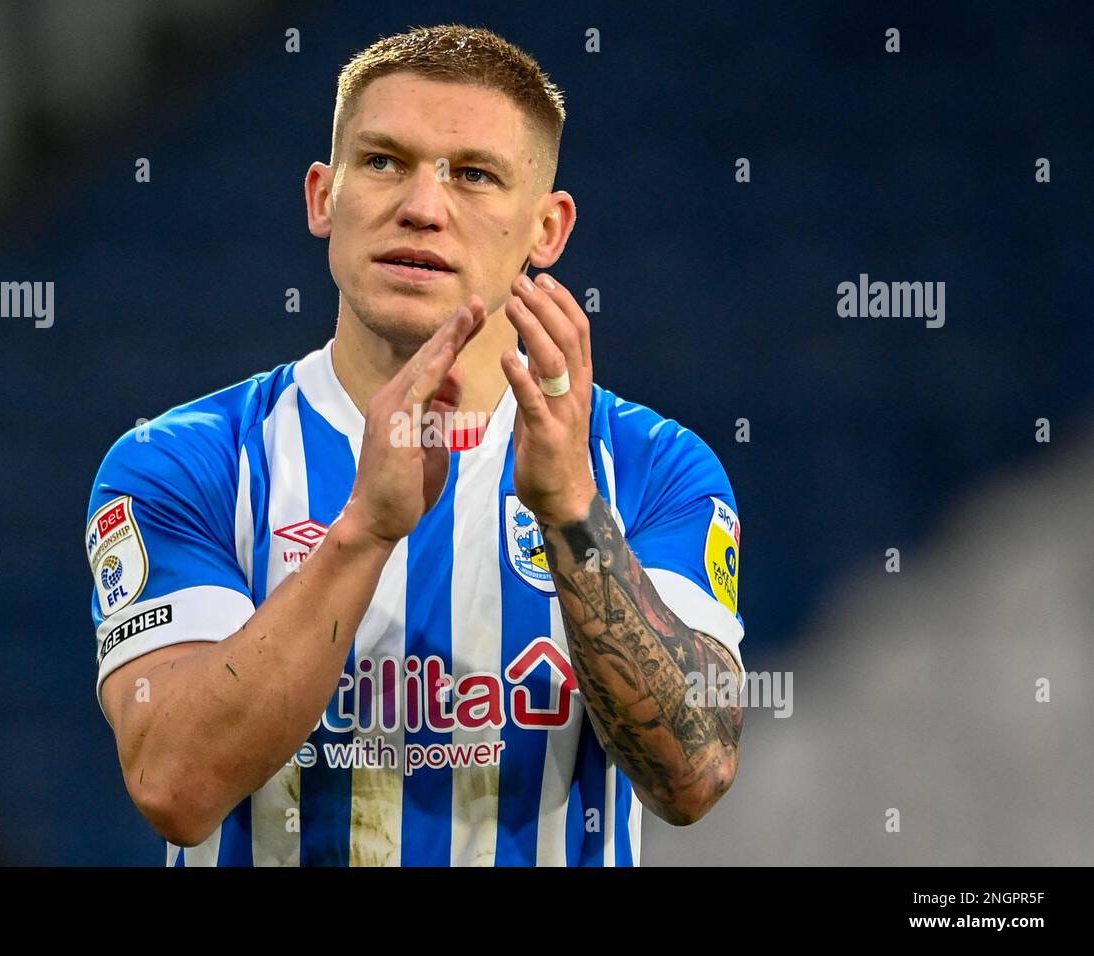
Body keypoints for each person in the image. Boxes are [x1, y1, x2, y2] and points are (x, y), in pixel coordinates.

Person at [85, 24, 745, 867]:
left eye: (473, 175)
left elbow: (694, 776)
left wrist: (575, 515)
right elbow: (175, 787)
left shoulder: (654, 469)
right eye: (384, 161)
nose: (422, 206)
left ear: (547, 230)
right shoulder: (184, 464)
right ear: (324, 197)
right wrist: (364, 530)